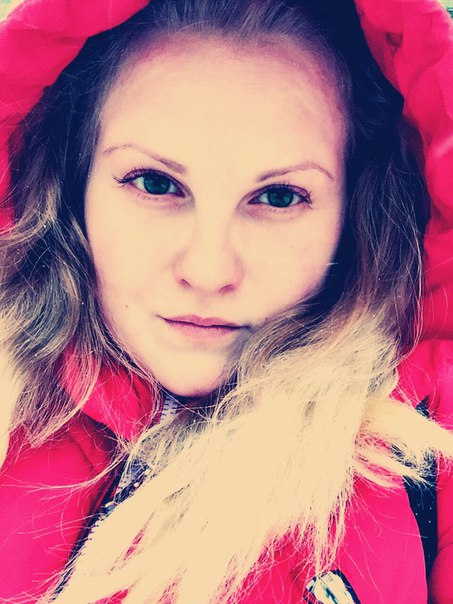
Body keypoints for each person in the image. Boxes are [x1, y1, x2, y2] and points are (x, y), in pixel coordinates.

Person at [0, 0, 452, 602]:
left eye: (279, 196)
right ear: (70, 182)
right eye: (155, 184)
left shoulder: (429, 455)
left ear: (355, 212)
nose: (208, 271)